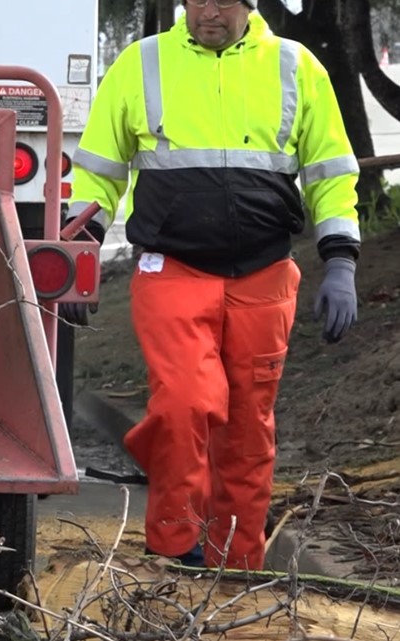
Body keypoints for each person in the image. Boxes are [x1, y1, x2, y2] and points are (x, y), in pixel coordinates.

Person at [61, 0, 360, 571]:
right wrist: (81, 250)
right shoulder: (142, 63)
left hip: (264, 273)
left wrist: (340, 259)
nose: (208, 12)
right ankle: (176, 544)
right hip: (173, 269)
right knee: (182, 404)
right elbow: (99, 167)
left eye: (223, 0)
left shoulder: (295, 67)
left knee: (248, 426)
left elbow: (329, 169)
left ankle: (237, 561)